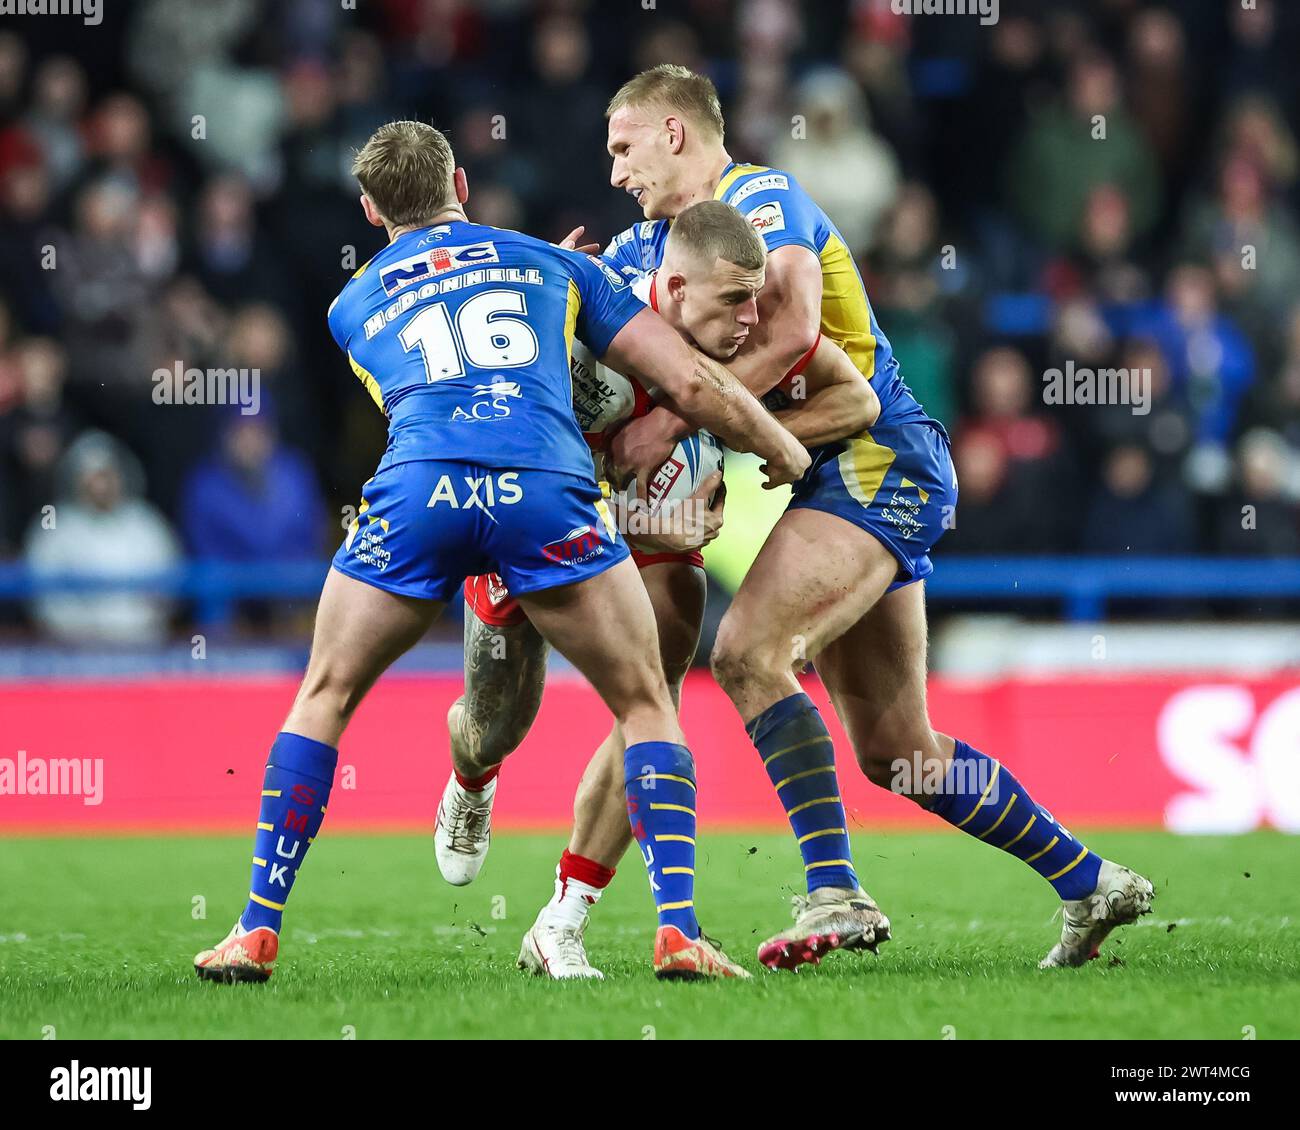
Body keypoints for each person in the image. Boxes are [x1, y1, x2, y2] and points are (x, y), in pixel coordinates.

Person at [193, 119, 810, 985]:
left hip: (422, 490)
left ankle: (255, 929)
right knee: (646, 701)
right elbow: (686, 379)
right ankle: (678, 931)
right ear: (462, 185)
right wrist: (781, 447)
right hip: (546, 489)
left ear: (370, 210)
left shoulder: (349, 304)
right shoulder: (555, 265)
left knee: (324, 693)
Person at [600, 65, 1154, 971]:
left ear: (674, 133)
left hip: (876, 455)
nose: (618, 171)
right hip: (839, 469)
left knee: (746, 654)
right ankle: (1090, 880)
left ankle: (836, 891)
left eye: (625, 148)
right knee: (899, 751)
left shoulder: (761, 196)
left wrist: (675, 423)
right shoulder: (676, 245)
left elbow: (790, 333)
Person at [436, 199, 880, 979]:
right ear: (674, 289)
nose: (751, 319)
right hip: (535, 505)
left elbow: (857, 400)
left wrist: (747, 437)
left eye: (754, 299)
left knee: (654, 697)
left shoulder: (749, 334)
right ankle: (473, 778)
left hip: (654, 511)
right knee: (494, 721)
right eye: (733, 301)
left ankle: (568, 917)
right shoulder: (584, 316)